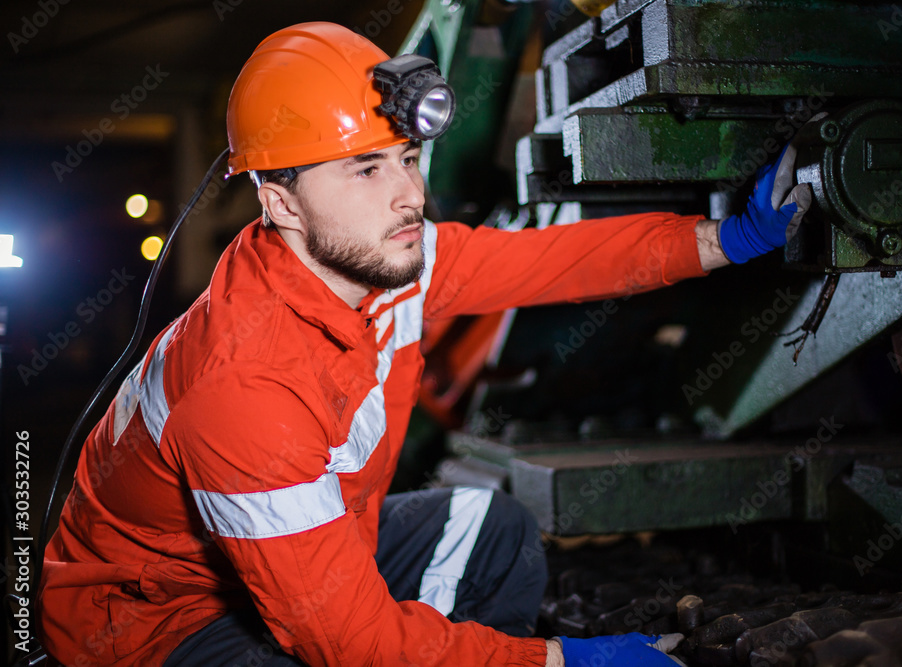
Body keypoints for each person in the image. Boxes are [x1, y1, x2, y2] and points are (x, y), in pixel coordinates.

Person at [36, 22, 810, 667]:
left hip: (307, 550)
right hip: (154, 630)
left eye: (406, 159)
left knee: (493, 530)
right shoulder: (244, 386)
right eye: (366, 168)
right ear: (281, 203)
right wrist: (562, 660)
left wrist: (722, 240)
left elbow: (554, 261)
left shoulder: (385, 262)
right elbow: (344, 637)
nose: (410, 194)